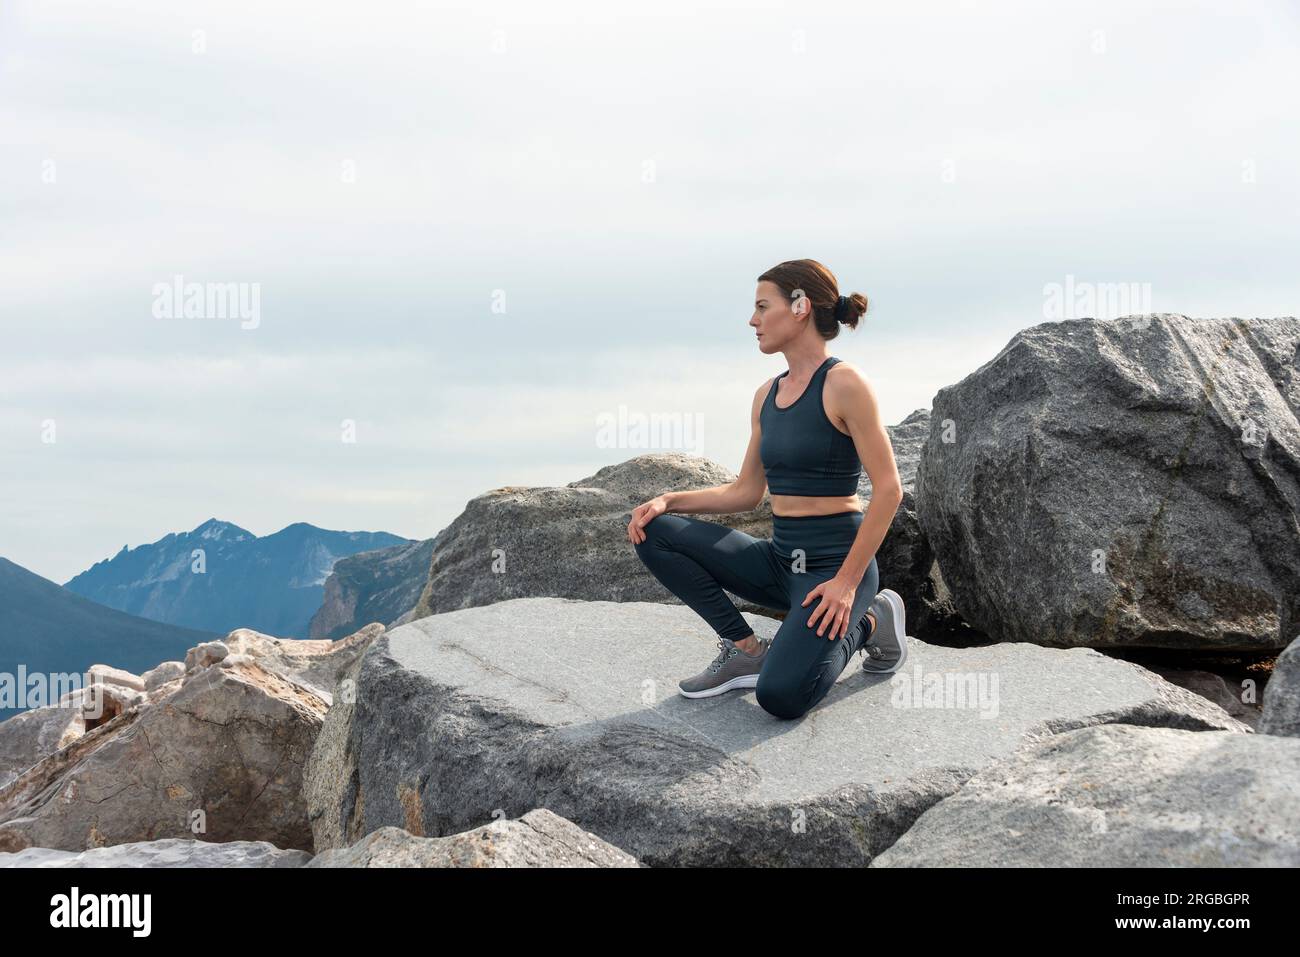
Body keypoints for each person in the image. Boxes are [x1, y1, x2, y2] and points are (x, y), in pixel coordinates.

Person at [627, 258, 907, 720]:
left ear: (799, 307)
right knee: (654, 531)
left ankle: (871, 620)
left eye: (762, 307)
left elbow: (890, 489)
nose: (752, 320)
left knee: (780, 697)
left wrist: (846, 583)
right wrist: (667, 501)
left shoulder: (844, 384)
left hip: (833, 572)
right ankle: (746, 649)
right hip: (781, 562)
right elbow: (745, 492)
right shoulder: (766, 395)